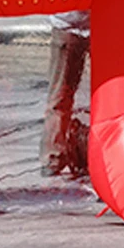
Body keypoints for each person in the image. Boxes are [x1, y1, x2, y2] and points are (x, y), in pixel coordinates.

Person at [40, 10, 90, 177]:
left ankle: (60, 154)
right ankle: (54, 156)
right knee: (60, 94)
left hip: (97, 24)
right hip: (68, 26)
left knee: (105, 96)